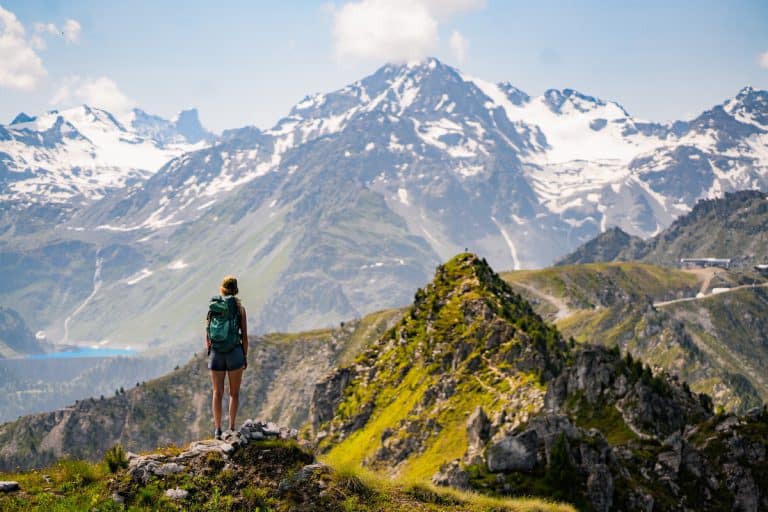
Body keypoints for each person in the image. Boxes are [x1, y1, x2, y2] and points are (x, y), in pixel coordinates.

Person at [206, 275, 248, 439]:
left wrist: (211, 351)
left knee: (217, 392)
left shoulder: (213, 307)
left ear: (222, 289)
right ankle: (231, 428)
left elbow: (208, 334)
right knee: (234, 393)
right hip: (234, 353)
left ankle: (217, 430)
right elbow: (244, 336)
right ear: (236, 289)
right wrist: (244, 356)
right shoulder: (239, 308)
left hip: (216, 353)